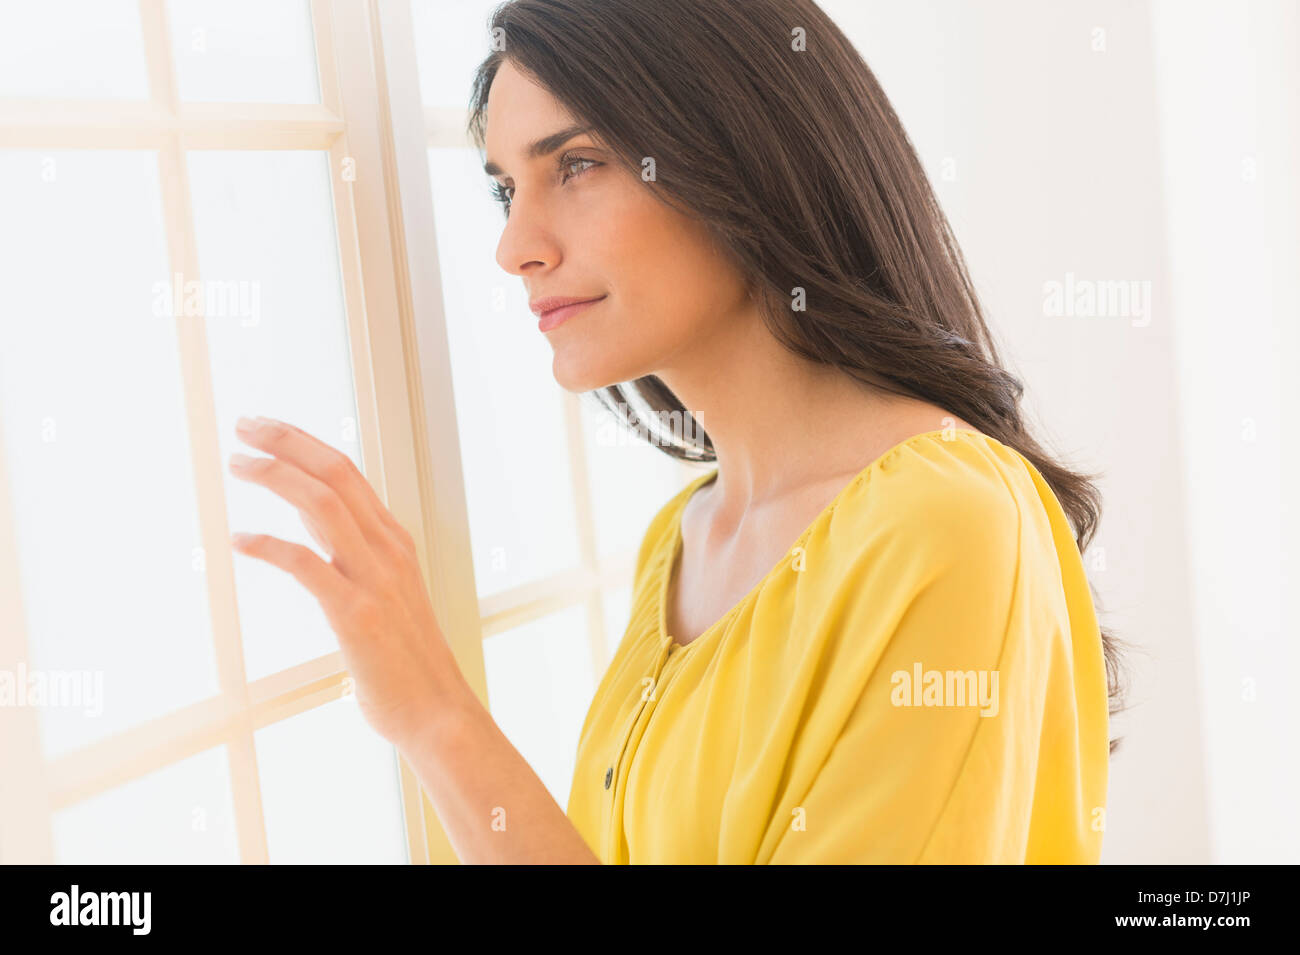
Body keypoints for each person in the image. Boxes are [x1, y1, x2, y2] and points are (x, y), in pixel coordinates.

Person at [229, 0, 1123, 863]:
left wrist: (437, 714)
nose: (516, 244)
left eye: (575, 165)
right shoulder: (684, 541)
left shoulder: (946, 522)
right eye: (507, 188)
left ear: (742, 156)